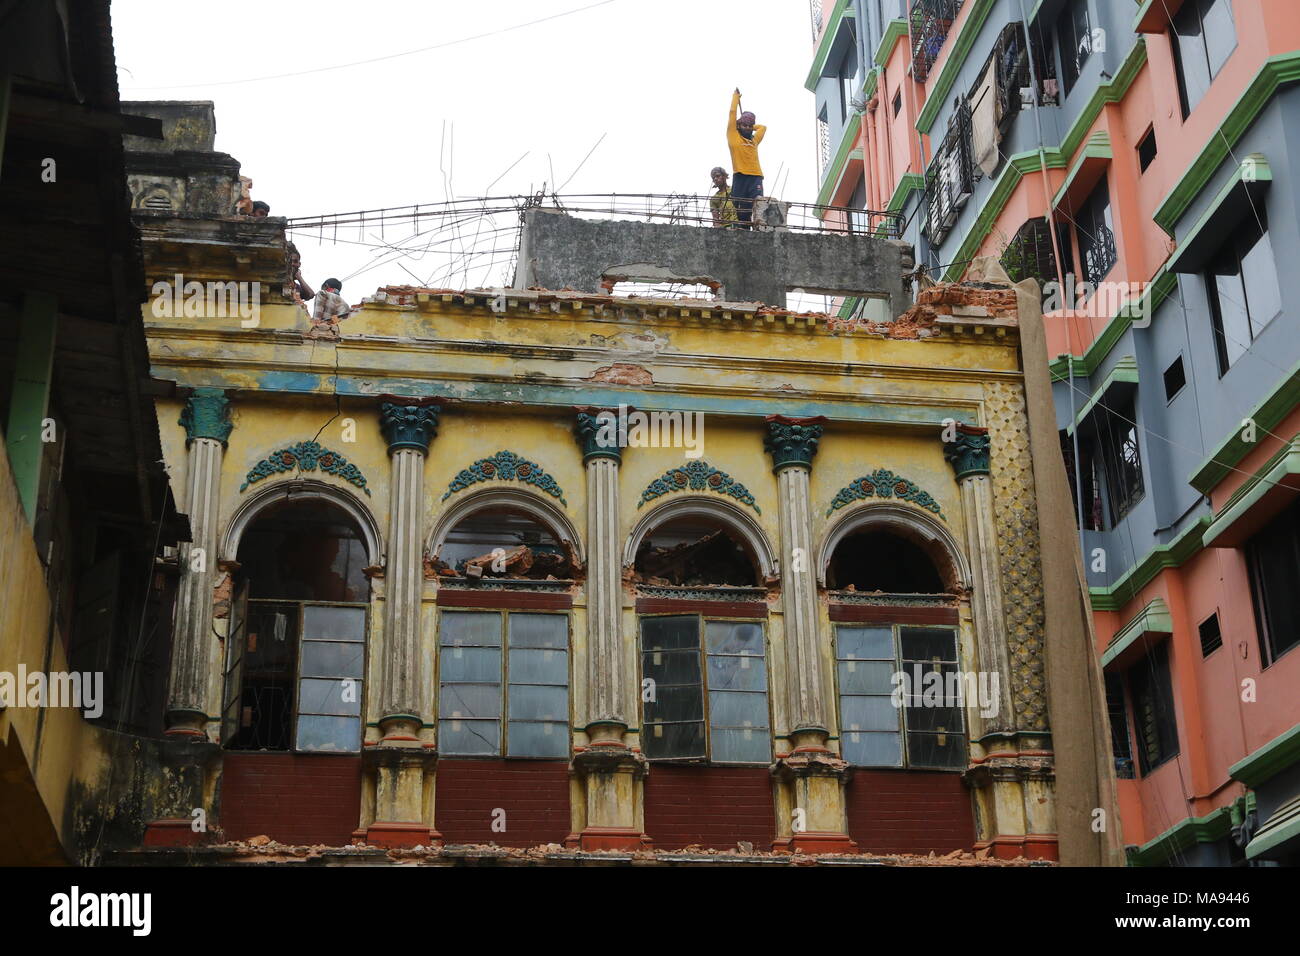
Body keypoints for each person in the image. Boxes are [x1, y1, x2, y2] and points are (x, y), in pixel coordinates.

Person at [727, 88, 766, 228]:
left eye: (750, 126)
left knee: (758, 203)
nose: (748, 128)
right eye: (745, 125)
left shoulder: (754, 141)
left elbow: (763, 128)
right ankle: (743, 230)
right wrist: (736, 97)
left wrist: (749, 122)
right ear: (738, 125)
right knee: (742, 210)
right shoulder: (733, 136)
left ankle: (759, 228)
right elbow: (732, 113)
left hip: (755, 177)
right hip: (740, 176)